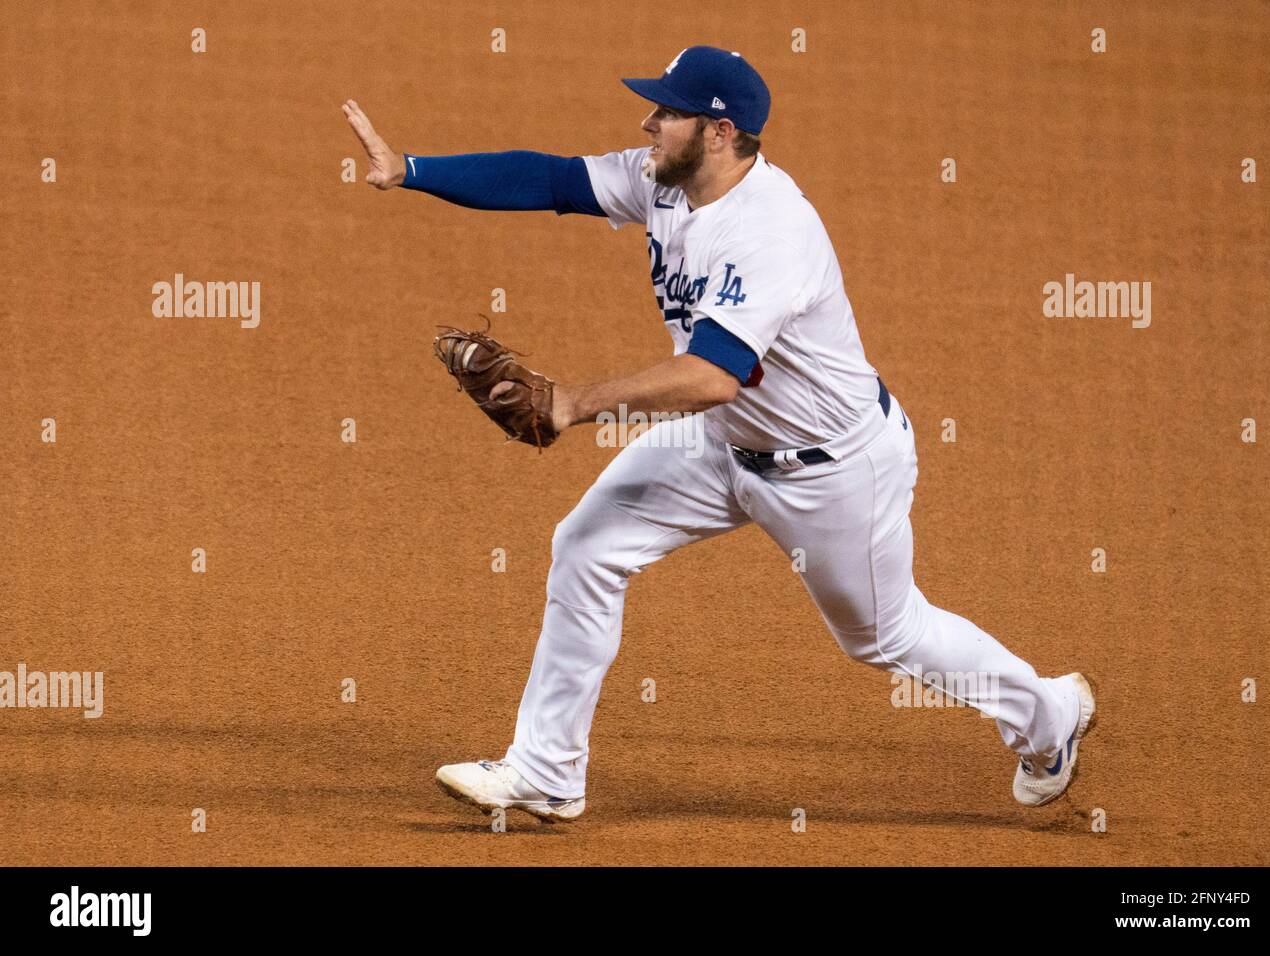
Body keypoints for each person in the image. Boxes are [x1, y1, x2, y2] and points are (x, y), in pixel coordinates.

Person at [342, 45, 1095, 822]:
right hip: (719, 441)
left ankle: (1048, 717)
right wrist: (413, 168)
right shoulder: (665, 181)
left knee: (884, 636)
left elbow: (714, 373)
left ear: (721, 132)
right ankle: (546, 772)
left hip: (828, 469)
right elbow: (554, 179)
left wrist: (572, 401)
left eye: (667, 112)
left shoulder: (772, 231)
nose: (648, 121)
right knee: (588, 547)